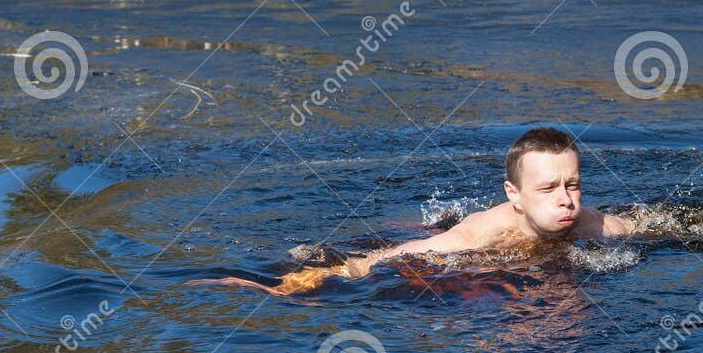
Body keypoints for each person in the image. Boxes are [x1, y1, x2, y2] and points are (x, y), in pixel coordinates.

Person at [197, 127, 635, 296]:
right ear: (514, 195)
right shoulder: (482, 235)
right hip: (452, 237)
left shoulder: (594, 223)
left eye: (572, 184)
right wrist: (288, 285)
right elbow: (391, 257)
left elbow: (655, 223)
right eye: (548, 188)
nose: (566, 199)